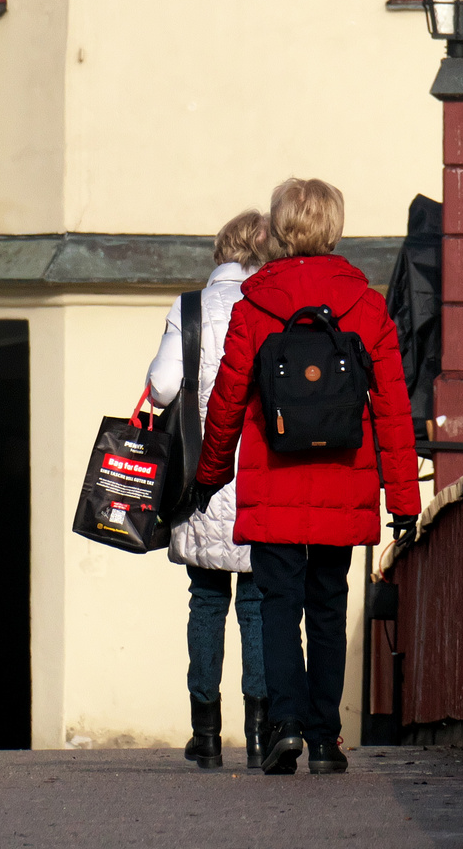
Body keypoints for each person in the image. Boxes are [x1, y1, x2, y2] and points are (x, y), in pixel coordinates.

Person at [194, 177, 421, 775]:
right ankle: (324, 739)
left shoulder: (254, 306)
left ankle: (286, 724)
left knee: (277, 605)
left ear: (279, 229)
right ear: (334, 229)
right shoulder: (366, 305)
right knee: (327, 606)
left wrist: (210, 474)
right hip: (344, 482)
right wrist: (403, 499)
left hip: (273, 481)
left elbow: (227, 401)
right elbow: (393, 409)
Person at [147, 209, 270, 771]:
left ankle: (207, 734)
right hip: (259, 476)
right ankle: (260, 734)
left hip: (202, 476)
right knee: (257, 606)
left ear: (222, 251)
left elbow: (162, 386)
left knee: (206, 601)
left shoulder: (191, 308)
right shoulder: (270, 305)